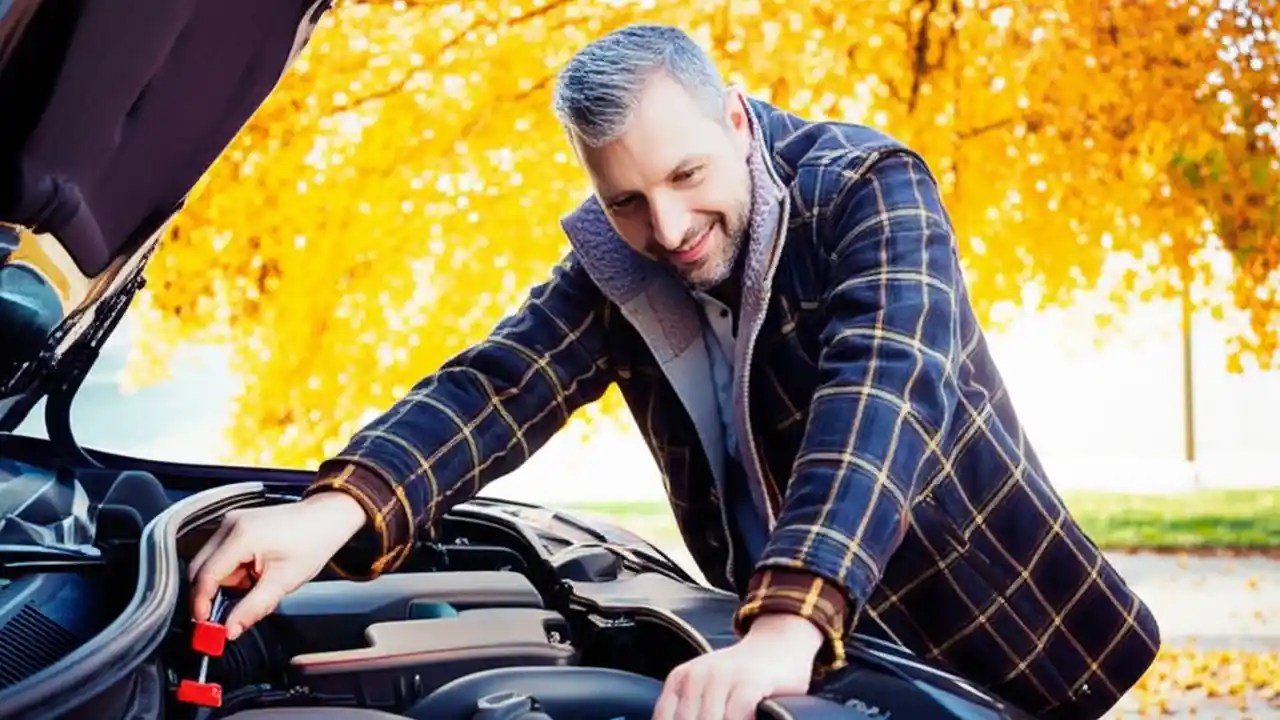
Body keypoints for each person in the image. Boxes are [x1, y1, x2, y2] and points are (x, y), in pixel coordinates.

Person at [188, 23, 1161, 720]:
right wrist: (332, 512)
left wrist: (788, 619)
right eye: (624, 200)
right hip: (804, 664)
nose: (665, 230)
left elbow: (882, 394)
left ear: (734, 120)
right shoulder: (621, 267)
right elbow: (497, 385)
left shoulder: (867, 189)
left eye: (686, 175)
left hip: (987, 645)